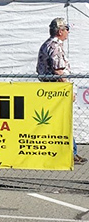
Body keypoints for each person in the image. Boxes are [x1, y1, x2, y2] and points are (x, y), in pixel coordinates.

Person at [36, 17, 85, 163]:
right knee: (63, 120)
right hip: (56, 89)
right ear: (60, 31)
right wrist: (68, 89)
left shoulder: (47, 44)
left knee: (58, 120)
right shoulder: (55, 46)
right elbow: (58, 70)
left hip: (49, 88)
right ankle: (69, 152)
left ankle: (70, 151)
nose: (68, 32)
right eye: (66, 29)